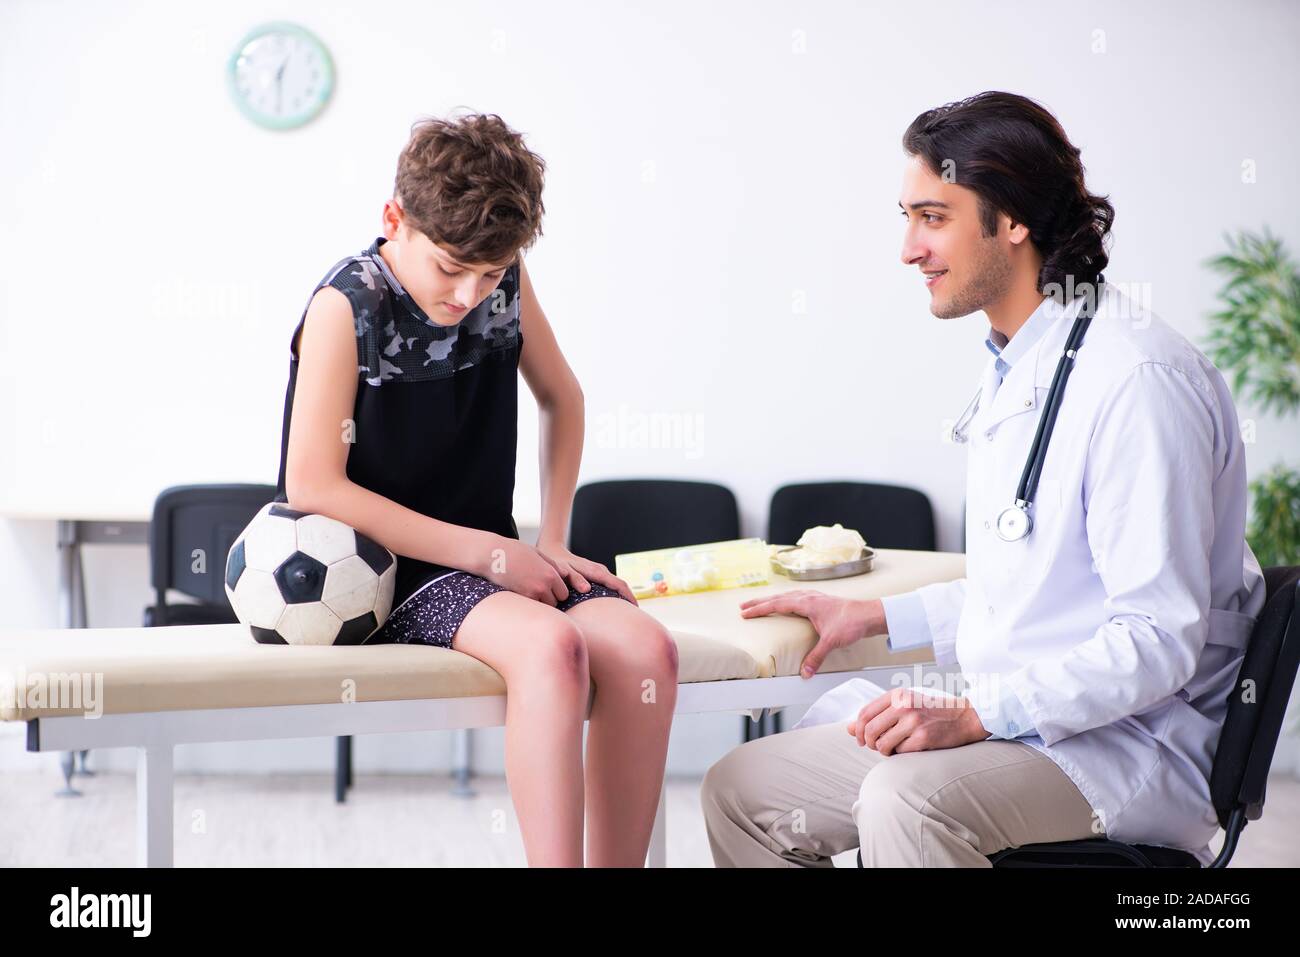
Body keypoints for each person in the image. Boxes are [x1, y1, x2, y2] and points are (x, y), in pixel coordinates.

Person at [700, 91, 1265, 867]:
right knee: (745, 788)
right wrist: (870, 616)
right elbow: (1034, 588)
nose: (909, 249)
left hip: (1128, 745)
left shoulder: (1137, 380)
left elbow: (1157, 639)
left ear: (1014, 220)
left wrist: (975, 713)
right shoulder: (1022, 364)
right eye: (908, 217)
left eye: (933, 217)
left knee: (905, 796)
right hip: (1025, 723)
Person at [272, 112, 678, 867]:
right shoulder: (345, 305)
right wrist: (491, 556)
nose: (468, 293)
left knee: (645, 648)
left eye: (489, 274)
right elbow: (313, 485)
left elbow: (563, 398)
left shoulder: (503, 280)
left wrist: (552, 539)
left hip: (494, 560)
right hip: (383, 571)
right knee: (553, 648)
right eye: (451, 267)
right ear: (395, 219)